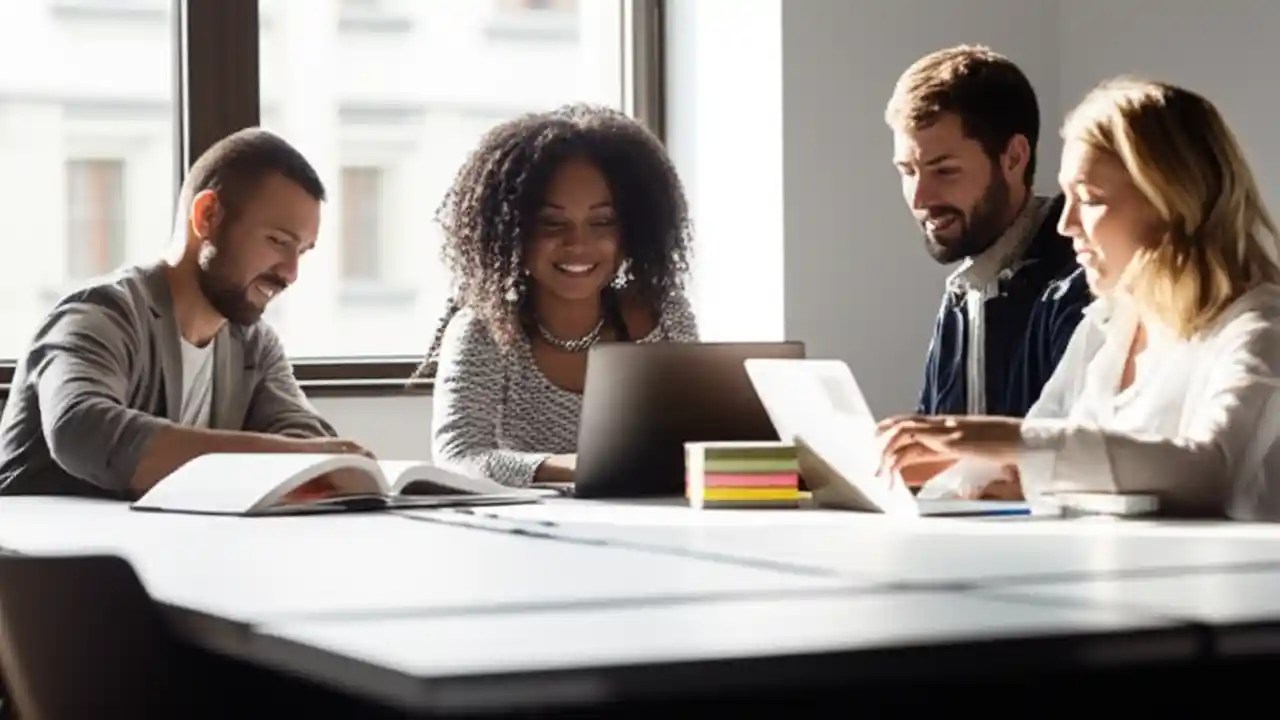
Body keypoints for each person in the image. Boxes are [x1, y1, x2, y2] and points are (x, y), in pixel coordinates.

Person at [877, 77, 1280, 520]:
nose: (1067, 223)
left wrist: (1009, 442)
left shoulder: (1259, 328)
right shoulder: (1106, 325)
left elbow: (1210, 468)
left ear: (1173, 204)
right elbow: (1041, 450)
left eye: (1089, 199)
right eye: (1067, 197)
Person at [0, 127, 371, 499]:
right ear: (207, 215)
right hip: (51, 553)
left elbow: (304, 437)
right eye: (277, 241)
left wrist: (312, 458)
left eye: (302, 251)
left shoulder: (254, 346)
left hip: (167, 551)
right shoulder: (96, 315)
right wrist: (297, 455)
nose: (291, 272)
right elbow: (81, 429)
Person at [421, 103, 698, 488]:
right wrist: (578, 466)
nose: (578, 244)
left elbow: (699, 443)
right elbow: (459, 457)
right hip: (530, 537)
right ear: (512, 231)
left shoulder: (664, 315)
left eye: (602, 222)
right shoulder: (482, 332)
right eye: (552, 223)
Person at [885, 45, 1090, 420]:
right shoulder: (965, 292)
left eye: (944, 170)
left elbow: (1074, 459)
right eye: (907, 171)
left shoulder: (1080, 284)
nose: (919, 197)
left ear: (1013, 158)